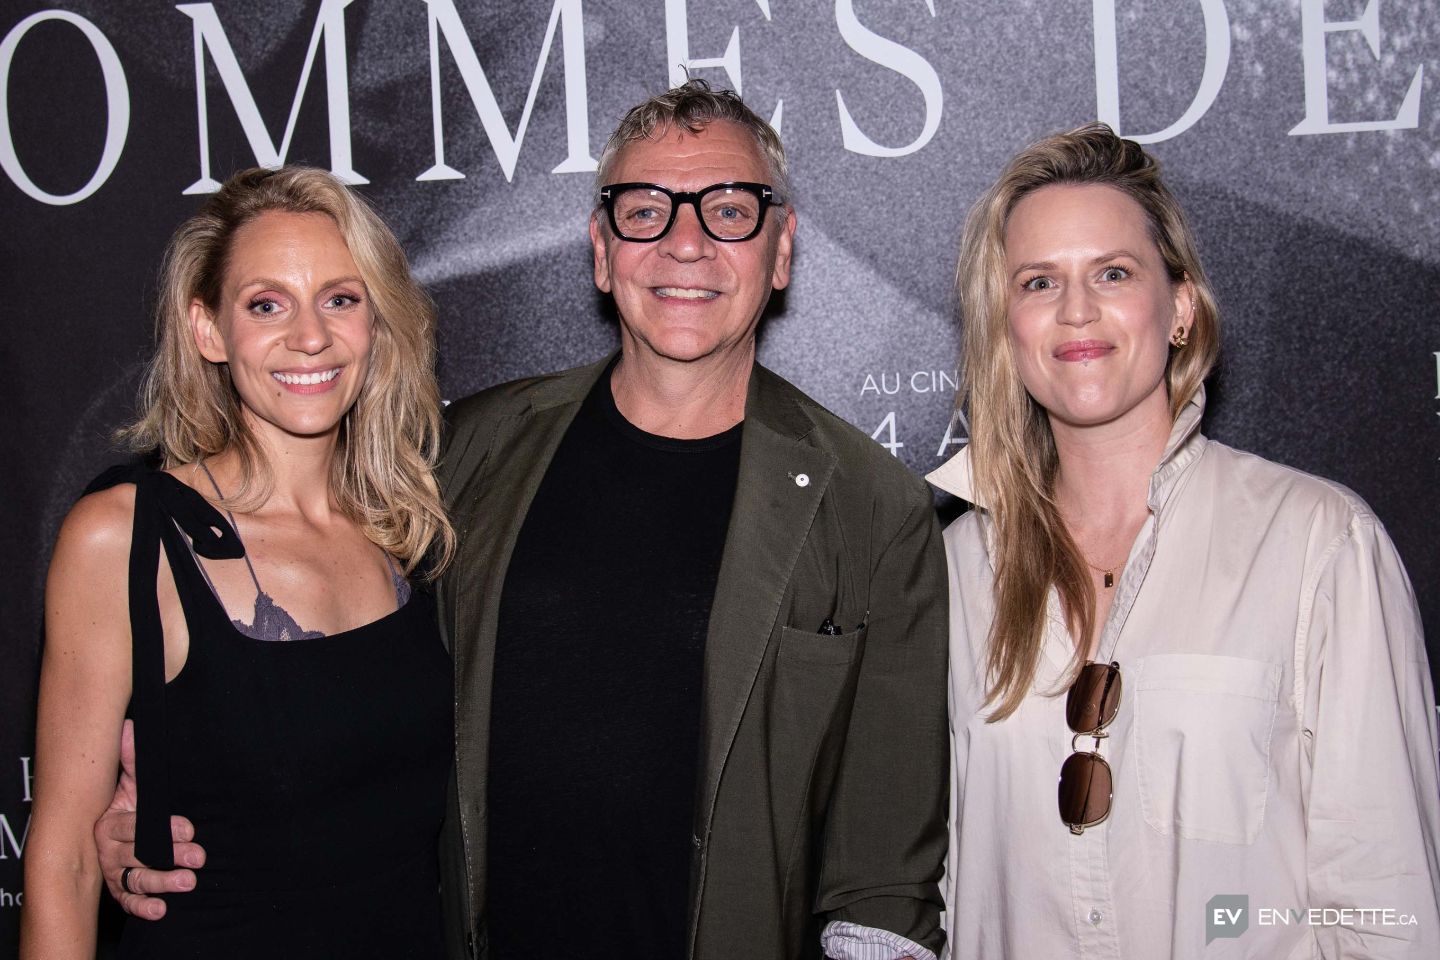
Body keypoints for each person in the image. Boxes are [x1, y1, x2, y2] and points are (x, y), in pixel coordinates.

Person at [94, 82, 948, 959]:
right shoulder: (467, 452)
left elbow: (884, 882)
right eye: (645, 211)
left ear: (782, 248)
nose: (685, 243)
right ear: (602, 252)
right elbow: (336, 695)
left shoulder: (870, 505)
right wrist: (175, 809)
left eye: (729, 211)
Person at [929, 122, 1440, 958]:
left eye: (1114, 272)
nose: (1076, 309)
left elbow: (1388, 907)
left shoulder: (1318, 543)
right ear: (1005, 328)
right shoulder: (955, 572)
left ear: (1180, 309)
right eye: (1038, 282)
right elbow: (947, 893)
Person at [22, 166, 456, 958]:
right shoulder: (126, 537)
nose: (310, 336)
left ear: (376, 320)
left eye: (340, 298)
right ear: (208, 330)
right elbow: (66, 862)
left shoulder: (412, 524)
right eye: (266, 304)